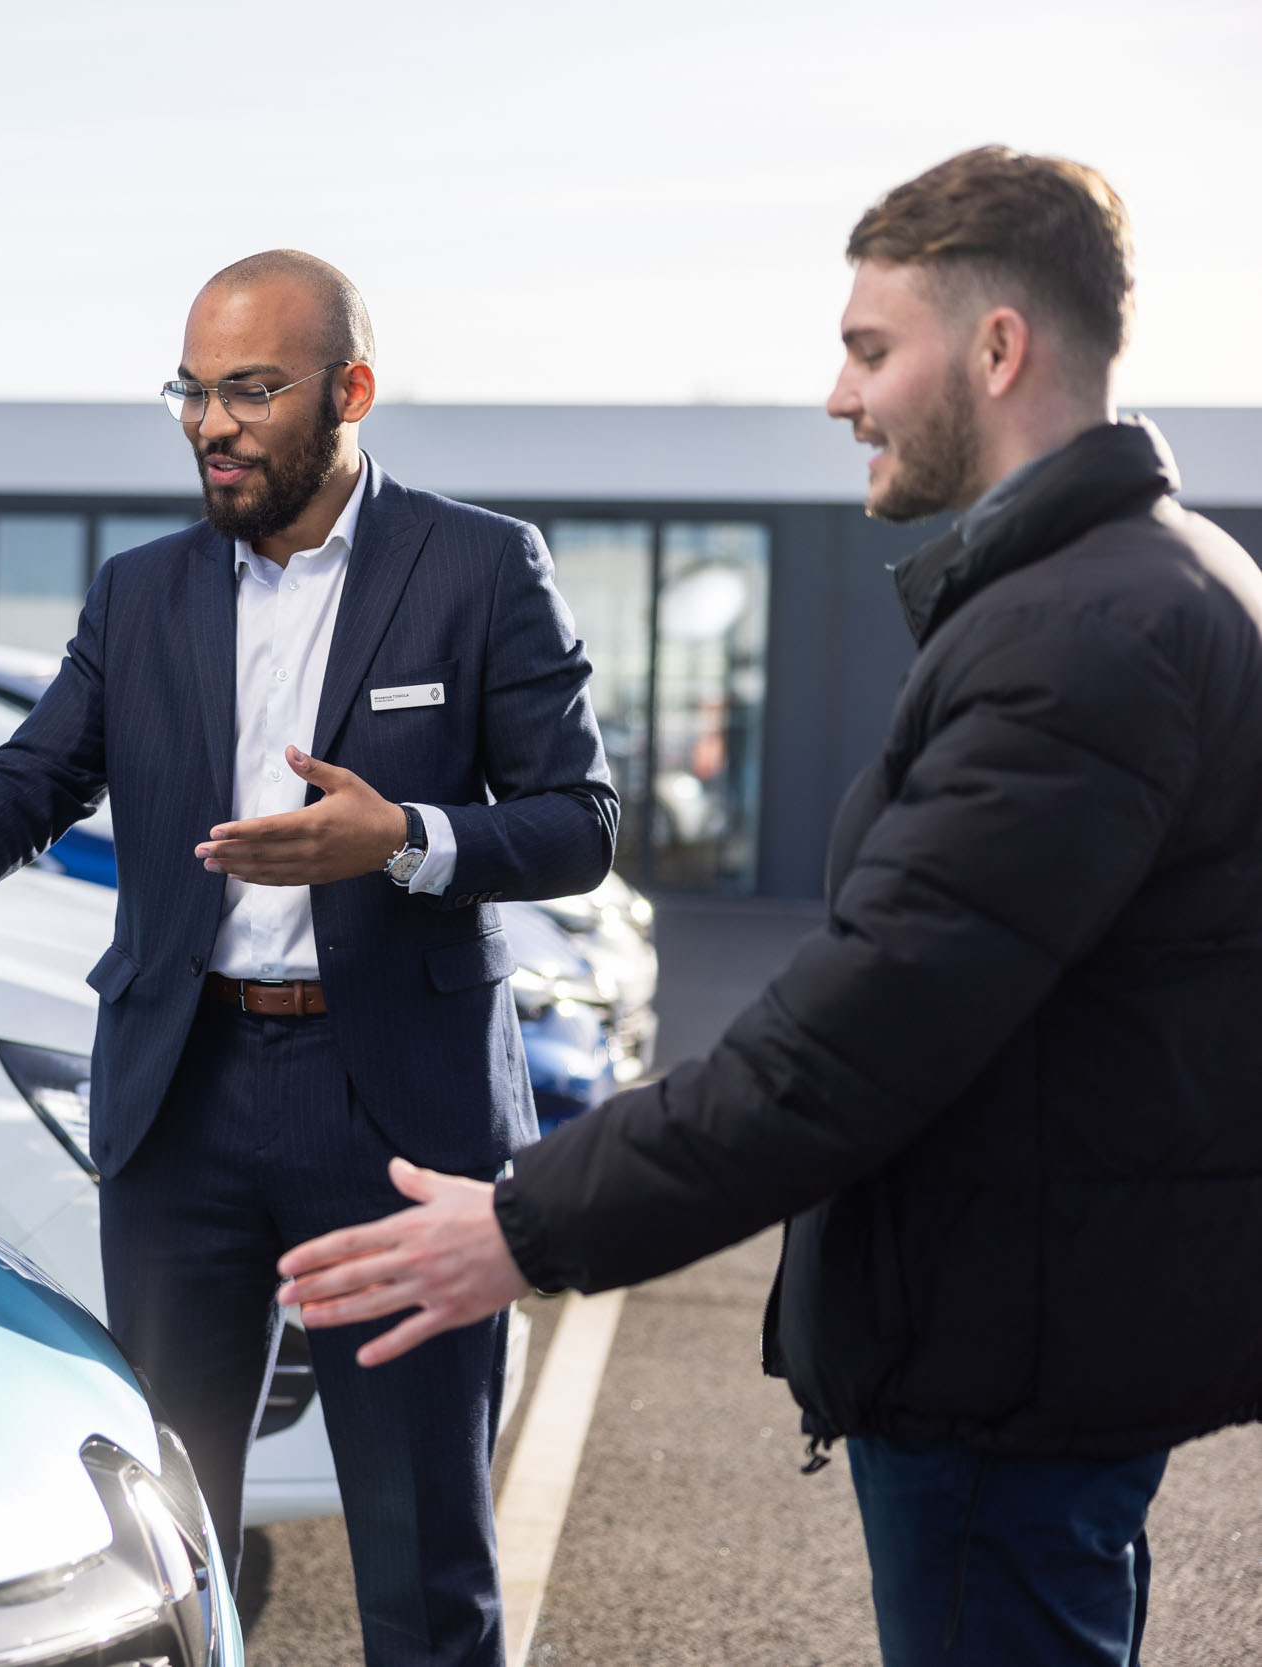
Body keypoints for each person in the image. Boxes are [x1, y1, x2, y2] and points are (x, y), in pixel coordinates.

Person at [274, 148, 1262, 1667]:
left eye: (872, 350)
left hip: (1009, 1362)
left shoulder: (1088, 632)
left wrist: (530, 1228)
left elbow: (860, 1032)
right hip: (1041, 1332)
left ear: (998, 351)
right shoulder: (1144, 587)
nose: (838, 395)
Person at [0, 251, 615, 1667]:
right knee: (169, 1539)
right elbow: (39, 772)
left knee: (423, 1559)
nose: (211, 424)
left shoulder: (478, 567)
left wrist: (404, 837)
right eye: (192, 391)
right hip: (189, 1099)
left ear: (349, 389)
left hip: (395, 1111)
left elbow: (578, 824)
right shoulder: (143, 590)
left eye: (250, 390)